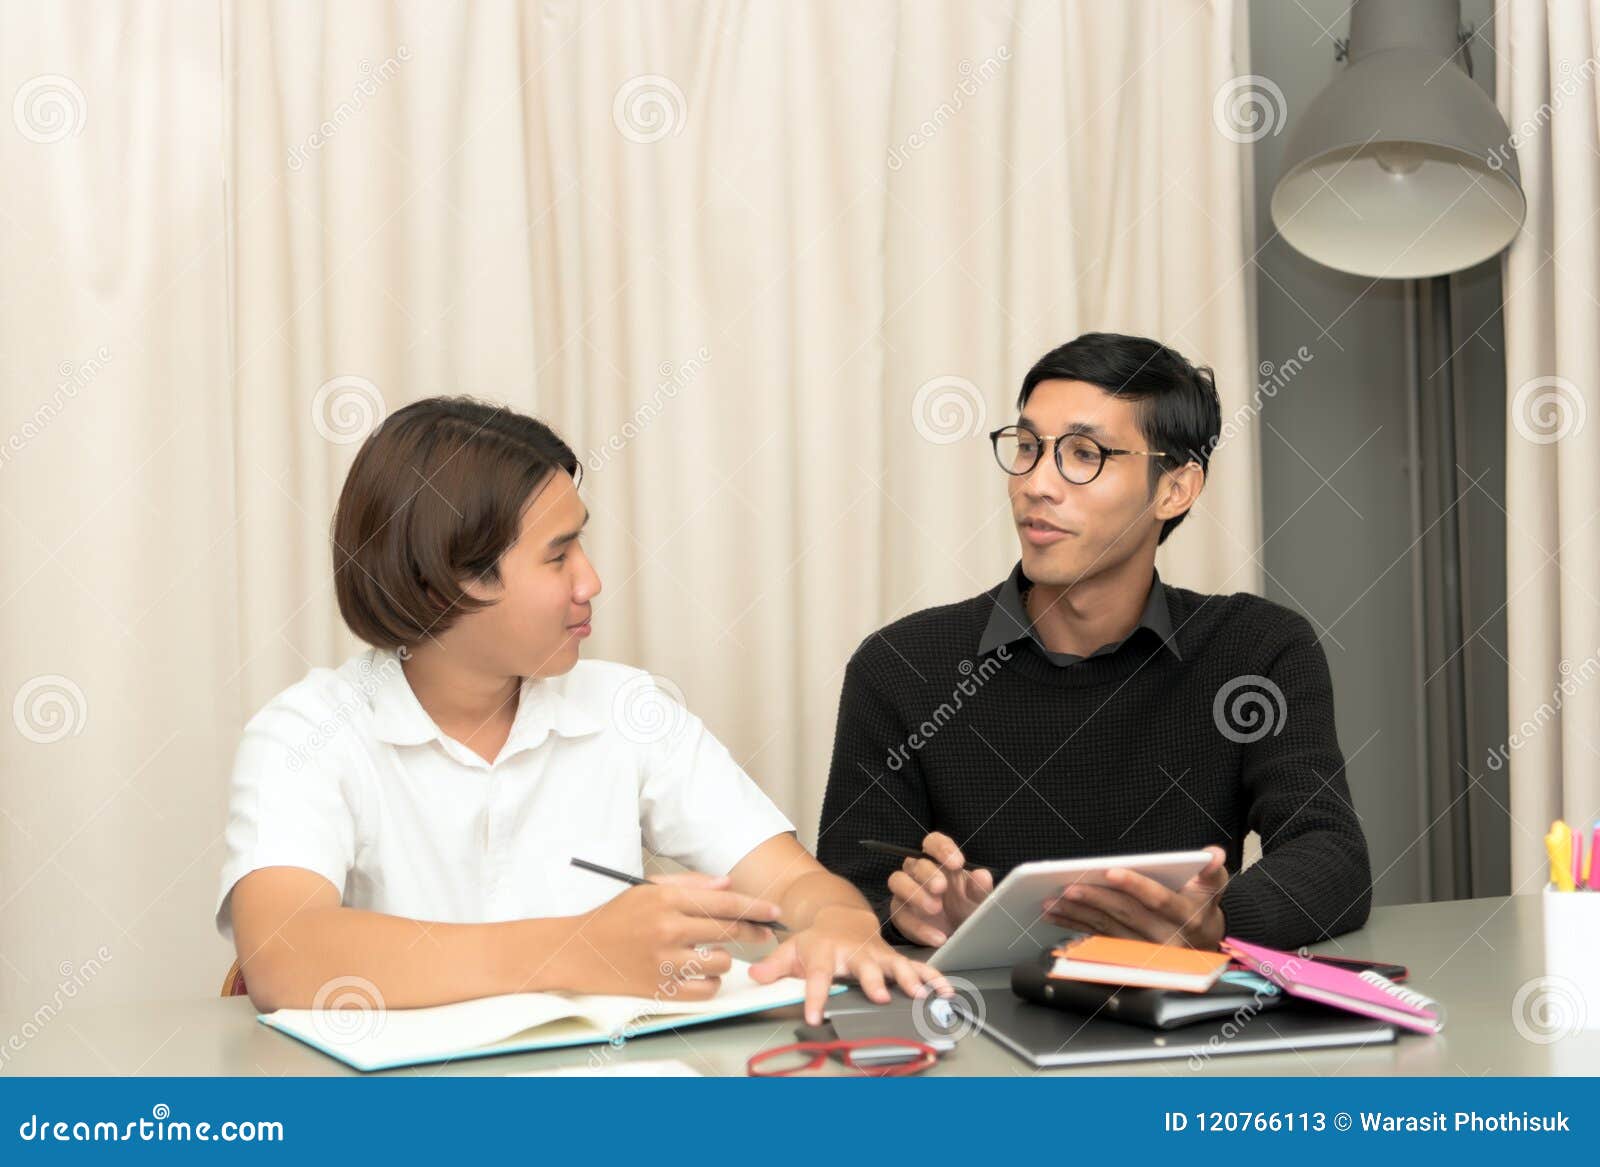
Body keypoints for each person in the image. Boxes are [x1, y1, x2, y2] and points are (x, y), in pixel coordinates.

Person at [216, 396, 944, 1025]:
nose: (590, 579)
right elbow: (286, 953)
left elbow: (793, 884)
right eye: (558, 555)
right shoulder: (308, 731)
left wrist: (841, 923)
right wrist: (583, 947)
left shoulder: (626, 707)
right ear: (444, 583)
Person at [816, 332, 1372, 952]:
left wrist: (1215, 920)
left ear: (1175, 489)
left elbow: (1331, 856)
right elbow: (845, 891)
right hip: (972, 1027)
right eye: (1027, 448)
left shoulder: (1255, 649)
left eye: (1084, 455)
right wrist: (906, 919)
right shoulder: (900, 666)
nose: (1037, 484)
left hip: (1185, 1027)